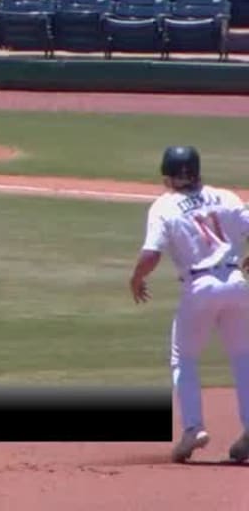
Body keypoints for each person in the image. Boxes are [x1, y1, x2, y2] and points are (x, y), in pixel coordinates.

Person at [128, 147, 249, 464]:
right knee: (243, 356)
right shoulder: (225, 196)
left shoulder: (164, 206)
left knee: (185, 358)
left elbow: (152, 253)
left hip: (199, 287)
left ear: (167, 175)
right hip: (237, 283)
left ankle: (193, 428)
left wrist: (136, 279)